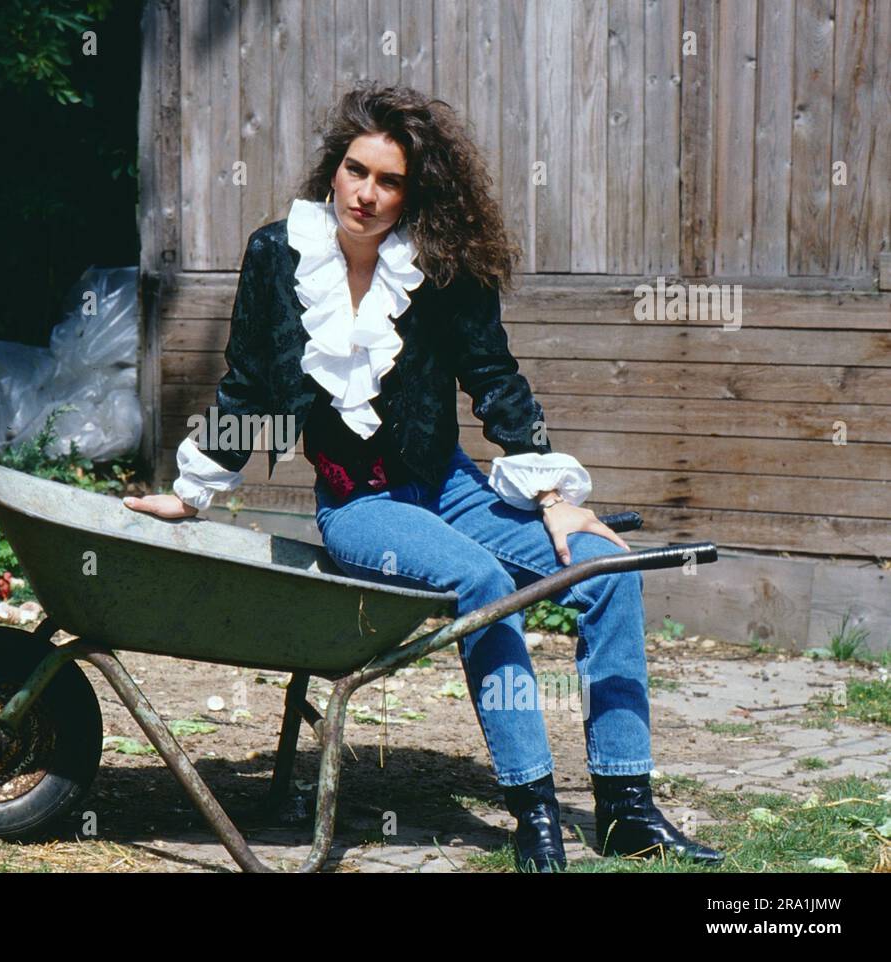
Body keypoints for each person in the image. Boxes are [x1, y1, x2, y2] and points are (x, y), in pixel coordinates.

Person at [124, 82, 722, 872]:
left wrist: (555, 500)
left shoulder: (437, 268)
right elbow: (249, 386)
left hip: (448, 487)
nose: (366, 194)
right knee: (479, 581)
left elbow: (494, 378)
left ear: (414, 193)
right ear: (333, 171)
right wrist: (194, 489)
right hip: (359, 504)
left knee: (609, 574)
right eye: (355, 170)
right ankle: (533, 809)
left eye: (389, 180)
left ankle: (626, 808)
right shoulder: (280, 254)